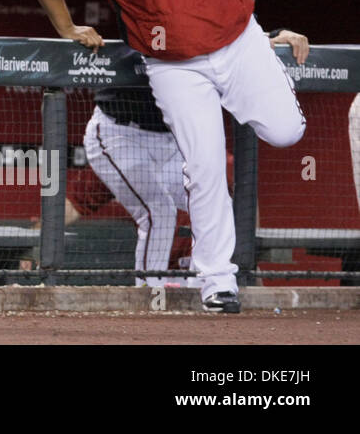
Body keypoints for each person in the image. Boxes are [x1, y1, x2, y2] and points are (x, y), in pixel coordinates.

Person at [27, 0, 307, 313]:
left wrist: (256, 26)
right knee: (204, 166)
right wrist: (69, 28)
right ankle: (218, 280)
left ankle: (261, 69)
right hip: (175, 64)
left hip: (238, 40)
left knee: (285, 132)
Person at [86, 30, 310, 288]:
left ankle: (201, 289)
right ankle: (149, 295)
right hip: (120, 132)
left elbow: (226, 28)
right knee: (159, 211)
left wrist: (268, 37)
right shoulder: (149, 17)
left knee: (208, 201)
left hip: (170, 140)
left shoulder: (197, 21)